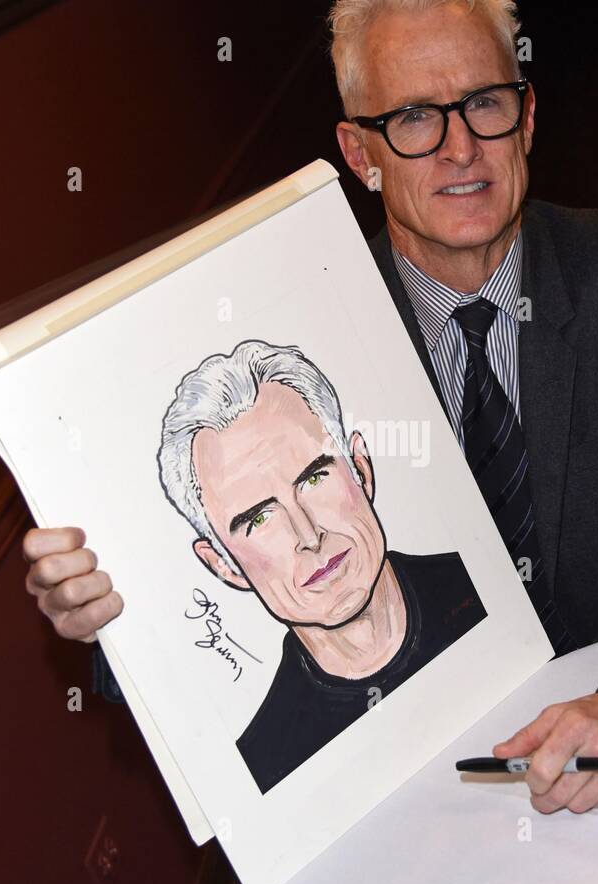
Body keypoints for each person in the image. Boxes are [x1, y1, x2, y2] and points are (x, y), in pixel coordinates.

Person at [24, 0, 598, 816]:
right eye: (415, 119)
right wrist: (108, 616)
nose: (461, 149)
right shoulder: (306, 344)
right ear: (360, 153)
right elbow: (203, 659)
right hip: (409, 779)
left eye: (485, 105)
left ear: (527, 117)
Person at [155, 340, 485, 794]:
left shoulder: (490, 590)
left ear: (361, 470)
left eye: (313, 478)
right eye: (259, 518)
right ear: (225, 566)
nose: (308, 535)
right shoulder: (267, 760)